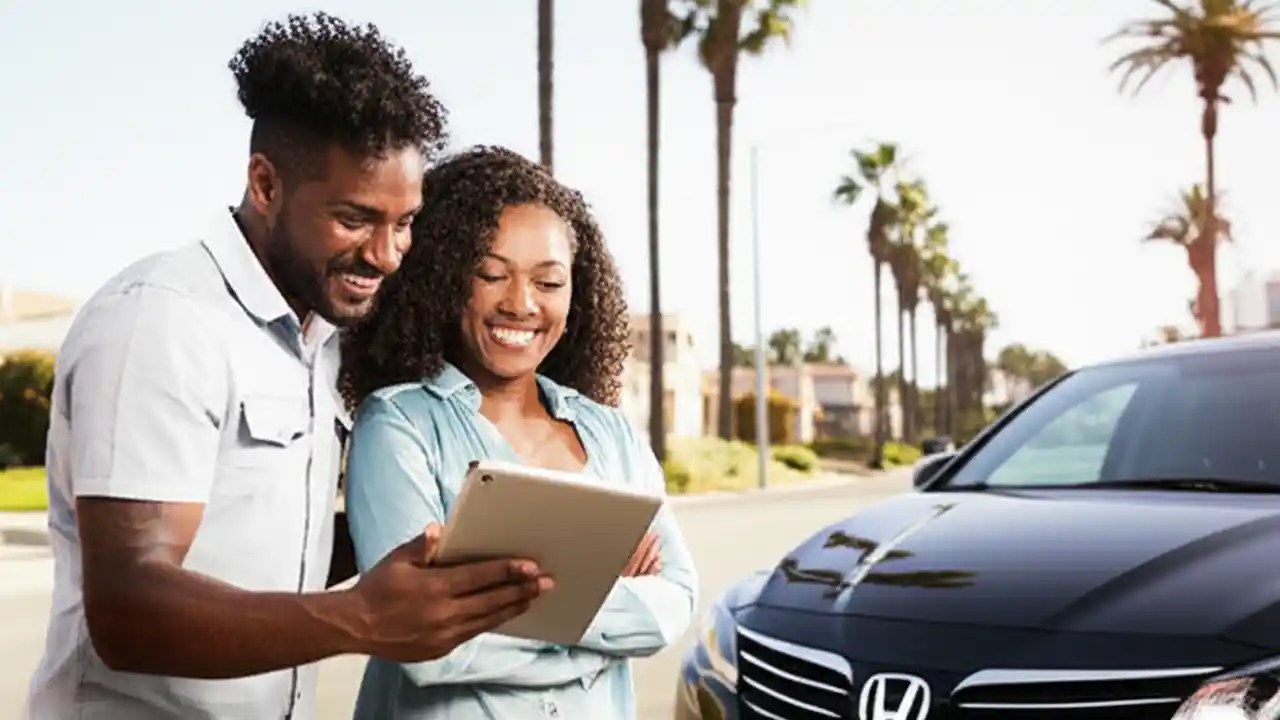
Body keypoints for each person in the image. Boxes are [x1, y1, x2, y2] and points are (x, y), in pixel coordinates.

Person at [24, 15, 550, 720]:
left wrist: (461, 539)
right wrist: (361, 617)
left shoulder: (320, 340)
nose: (389, 254)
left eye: (404, 222)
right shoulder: (164, 321)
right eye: (356, 218)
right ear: (265, 184)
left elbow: (269, 539)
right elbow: (128, 609)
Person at [337, 145, 699, 719]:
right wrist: (603, 619)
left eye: (549, 282)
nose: (521, 304)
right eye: (491, 274)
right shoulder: (399, 425)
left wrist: (493, 606)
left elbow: (674, 604)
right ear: (445, 278)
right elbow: (428, 651)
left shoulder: (613, 436)